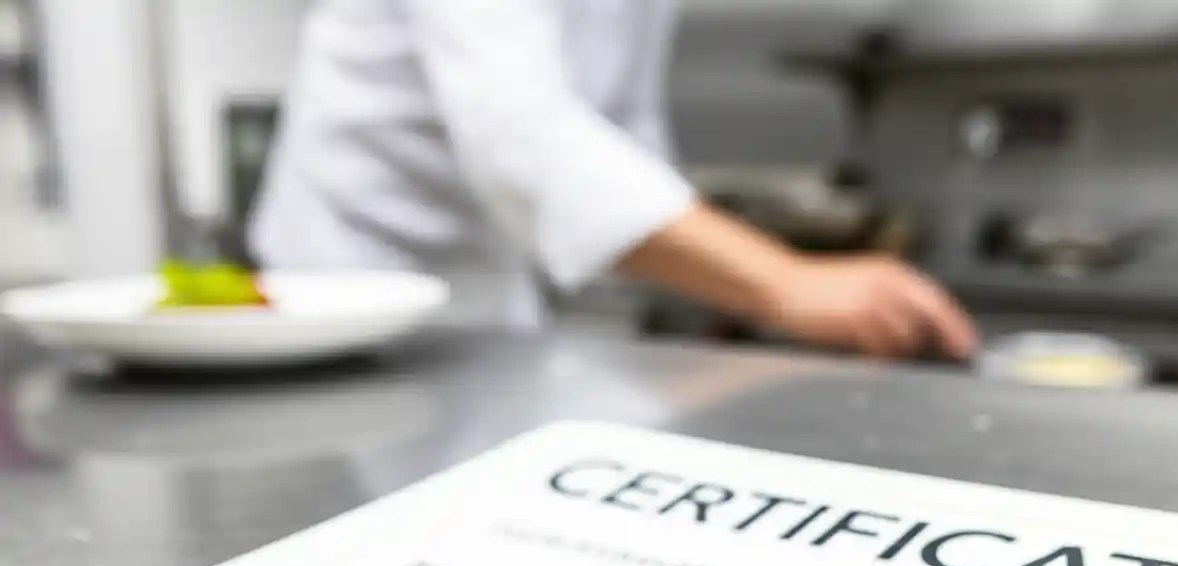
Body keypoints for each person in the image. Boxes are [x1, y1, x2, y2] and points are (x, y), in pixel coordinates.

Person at [252, 0, 978, 360]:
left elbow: (623, 134)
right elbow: (518, 132)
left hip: (491, 295)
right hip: (346, 283)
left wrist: (716, 285)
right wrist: (782, 282)